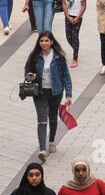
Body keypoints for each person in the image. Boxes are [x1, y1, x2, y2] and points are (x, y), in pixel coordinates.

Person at [22, 30, 71, 161]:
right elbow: (27, 70)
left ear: (51, 42)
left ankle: (51, 141)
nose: (44, 43)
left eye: (46, 41)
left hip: (56, 91)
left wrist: (69, 94)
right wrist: (29, 76)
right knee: (42, 120)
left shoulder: (58, 57)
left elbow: (66, 76)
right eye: (42, 41)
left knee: (53, 117)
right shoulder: (34, 55)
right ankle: (42, 149)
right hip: (40, 92)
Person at [61, 0, 86, 67]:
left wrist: (78, 17)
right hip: (68, 16)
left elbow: (84, 5)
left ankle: (75, 57)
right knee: (68, 36)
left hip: (77, 17)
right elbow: (64, 4)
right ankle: (76, 48)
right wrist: (67, 16)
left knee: (75, 36)